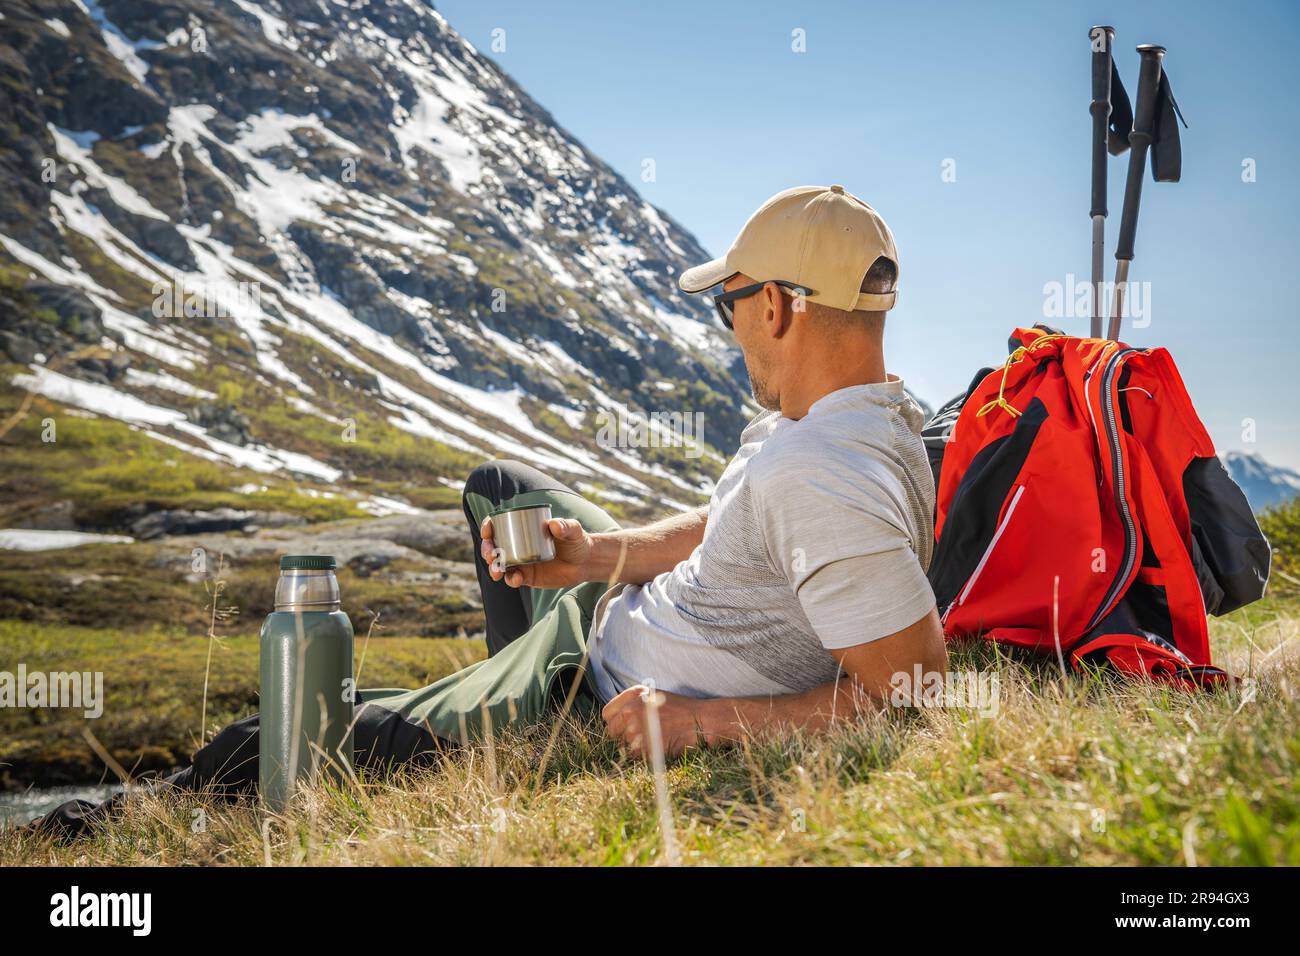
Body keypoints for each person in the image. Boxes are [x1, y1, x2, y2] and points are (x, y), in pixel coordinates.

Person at [33, 184, 946, 836]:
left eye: (731, 309)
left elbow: (913, 693)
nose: (732, 330)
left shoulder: (821, 474)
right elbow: (724, 531)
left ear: (778, 305)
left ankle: (114, 818)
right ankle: (475, 695)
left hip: (583, 690)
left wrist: (702, 725)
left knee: (276, 736)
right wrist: (591, 559)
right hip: (604, 615)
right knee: (500, 487)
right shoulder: (848, 417)